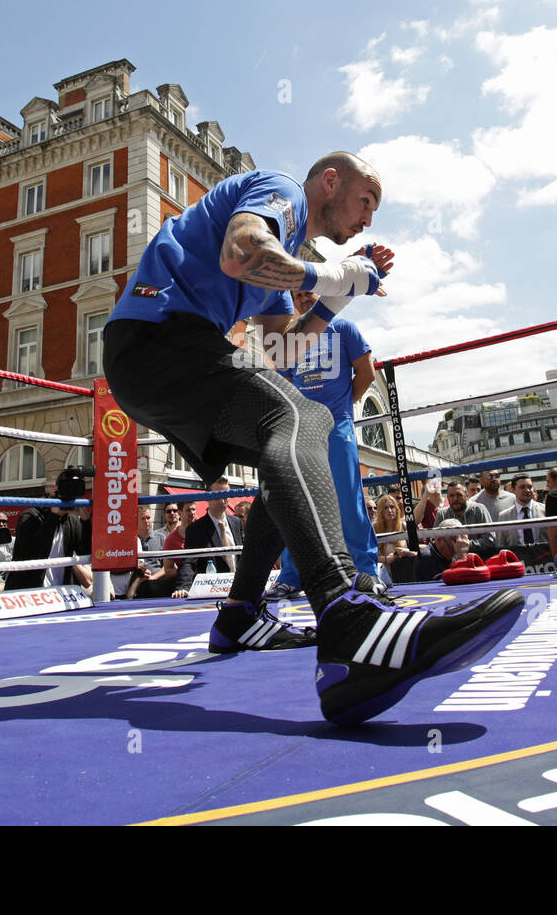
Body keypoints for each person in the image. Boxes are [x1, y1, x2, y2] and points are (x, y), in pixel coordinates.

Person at [104, 151, 523, 724]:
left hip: (170, 356)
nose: (368, 220)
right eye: (365, 201)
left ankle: (240, 614)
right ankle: (345, 615)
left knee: (290, 453)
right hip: (158, 337)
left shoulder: (291, 258)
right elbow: (242, 253)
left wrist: (334, 296)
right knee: (304, 422)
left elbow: (281, 351)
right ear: (330, 182)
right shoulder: (279, 192)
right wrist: (329, 274)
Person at [267, 289, 383, 599]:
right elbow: (287, 383)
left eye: (309, 294)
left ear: (322, 296)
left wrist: (344, 406)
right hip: (302, 430)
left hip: (337, 425)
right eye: (298, 296)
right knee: (297, 504)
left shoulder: (344, 328)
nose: (304, 299)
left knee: (349, 502)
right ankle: (291, 576)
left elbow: (367, 373)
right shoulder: (290, 338)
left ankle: (368, 572)